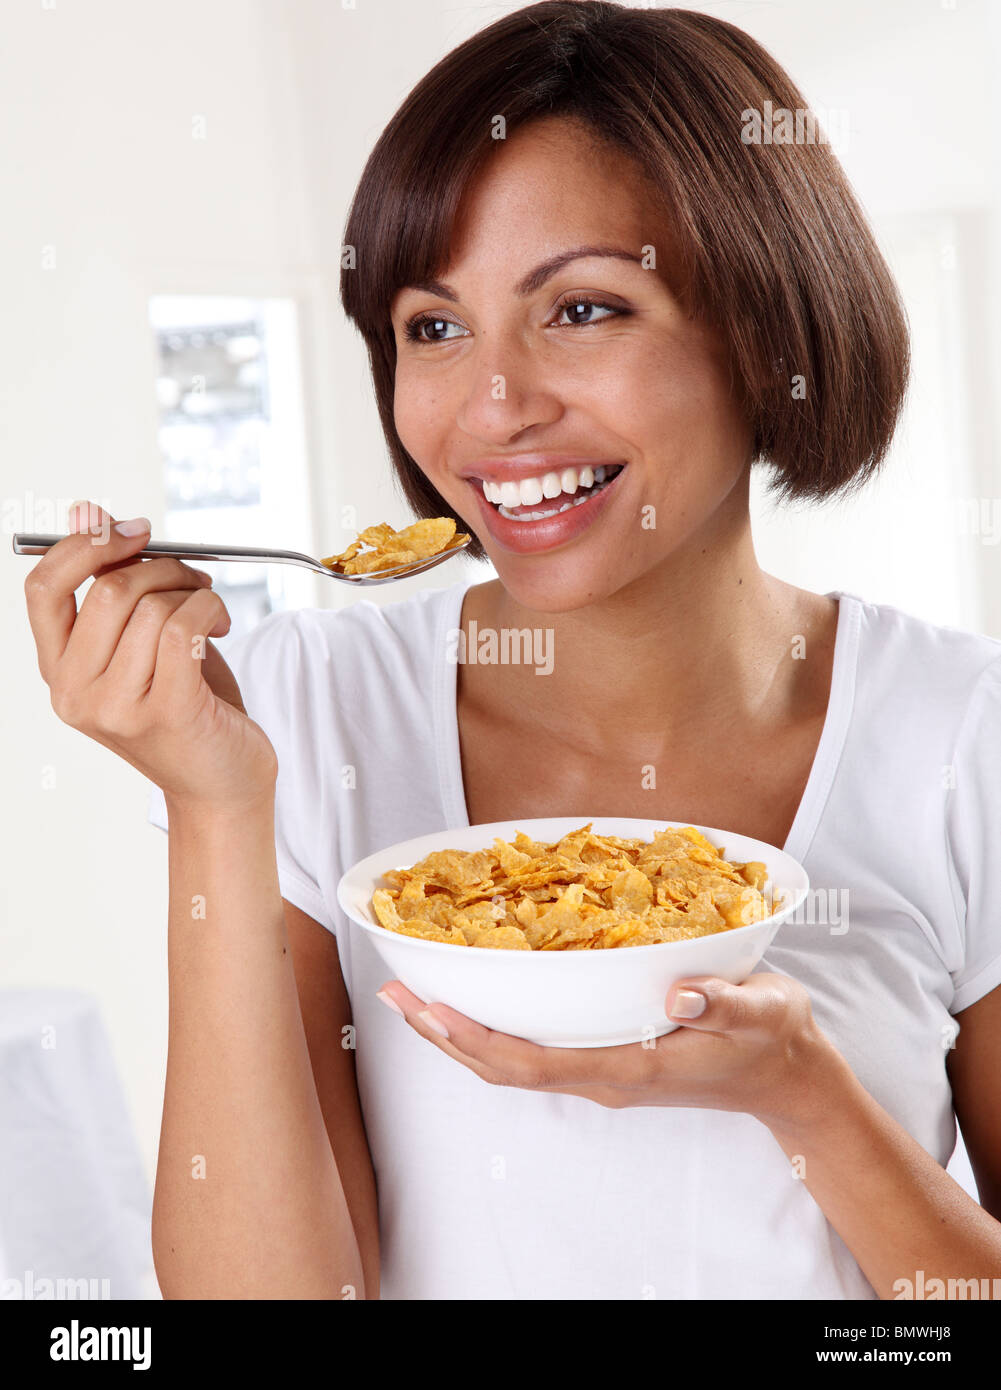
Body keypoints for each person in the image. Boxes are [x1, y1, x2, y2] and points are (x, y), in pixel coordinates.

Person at [24, 1, 1001, 1301]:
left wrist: (803, 1094)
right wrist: (214, 806)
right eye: (432, 328)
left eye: (583, 308)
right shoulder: (303, 715)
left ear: (768, 330)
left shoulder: (960, 737)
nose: (493, 408)